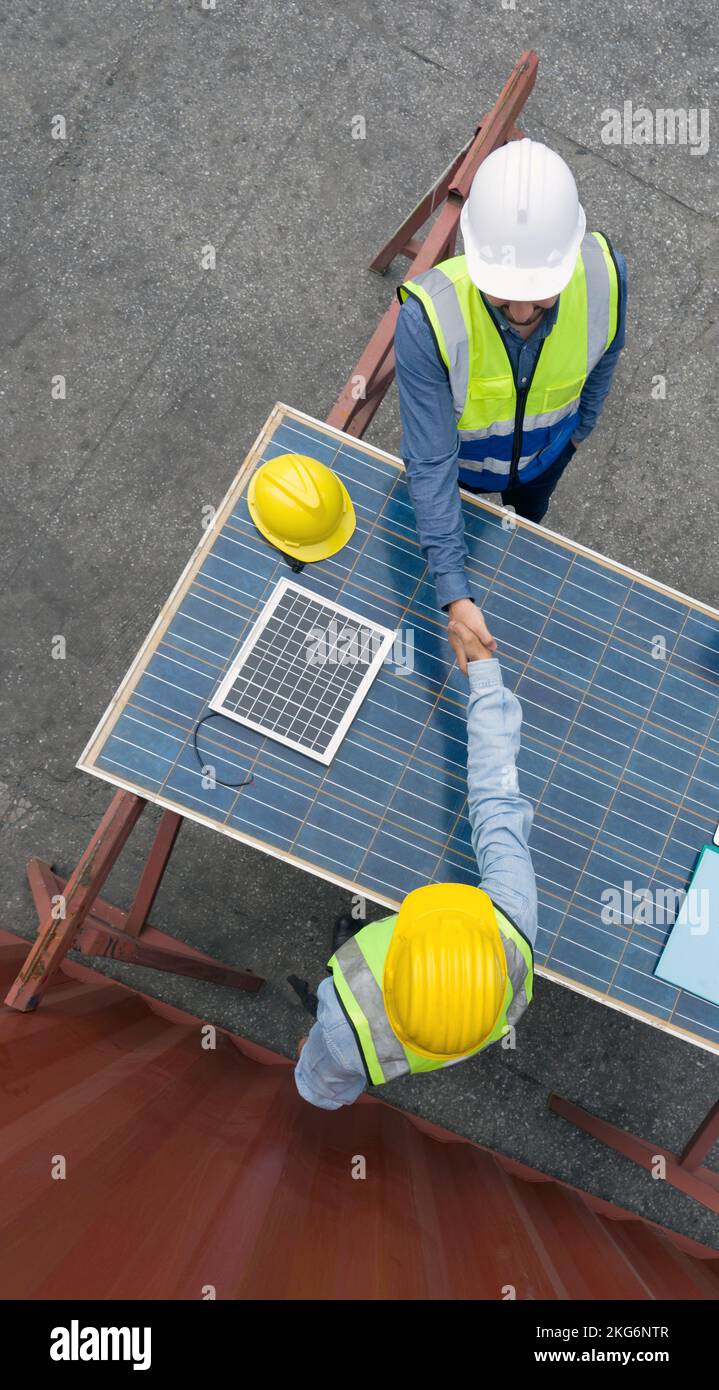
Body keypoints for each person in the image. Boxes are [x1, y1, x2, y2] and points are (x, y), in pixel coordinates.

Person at [394, 138, 627, 667]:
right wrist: (455, 594)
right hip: (462, 477)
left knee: (523, 543)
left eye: (540, 292)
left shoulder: (606, 276)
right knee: (455, 552)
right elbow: (430, 462)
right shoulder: (427, 320)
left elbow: (607, 353)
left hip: (546, 461)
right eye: (502, 293)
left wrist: (579, 432)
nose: (522, 309)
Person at [290, 619, 537, 1109]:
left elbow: (318, 1086)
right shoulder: (513, 920)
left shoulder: (342, 1022)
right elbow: (496, 793)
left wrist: (312, 1054)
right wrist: (485, 676)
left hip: (351, 1039)